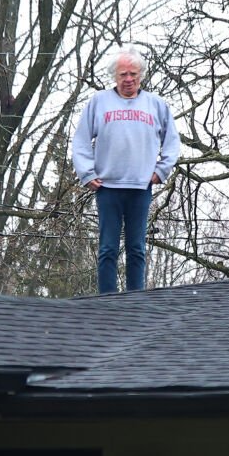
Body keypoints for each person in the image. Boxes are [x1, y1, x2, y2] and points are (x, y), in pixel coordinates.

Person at [70, 47, 180, 294]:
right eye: (123, 74)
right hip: (107, 186)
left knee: (137, 248)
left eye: (133, 73)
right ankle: (107, 301)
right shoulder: (99, 102)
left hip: (140, 186)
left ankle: (135, 300)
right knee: (108, 247)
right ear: (114, 76)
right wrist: (87, 173)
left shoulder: (156, 105)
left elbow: (172, 141)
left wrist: (161, 171)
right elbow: (81, 140)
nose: (128, 79)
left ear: (141, 74)